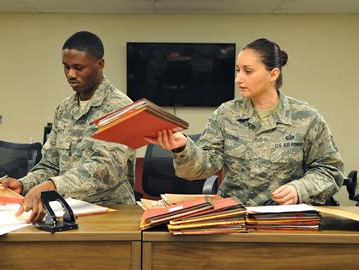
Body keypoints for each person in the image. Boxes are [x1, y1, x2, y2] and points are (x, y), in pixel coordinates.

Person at [145, 38, 344, 206]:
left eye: (248, 71)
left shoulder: (306, 117)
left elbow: (331, 171)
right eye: (238, 70)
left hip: (283, 220)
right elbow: (202, 168)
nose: (238, 79)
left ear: (273, 74)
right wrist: (183, 148)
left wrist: (299, 188)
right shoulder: (226, 114)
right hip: (234, 217)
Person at [0, 31, 136, 222]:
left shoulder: (120, 107)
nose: (71, 74)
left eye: (79, 68)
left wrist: (52, 185)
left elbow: (106, 169)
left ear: (100, 64)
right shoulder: (64, 109)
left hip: (111, 213)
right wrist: (24, 184)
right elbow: (51, 164)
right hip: (68, 211)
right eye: (66, 67)